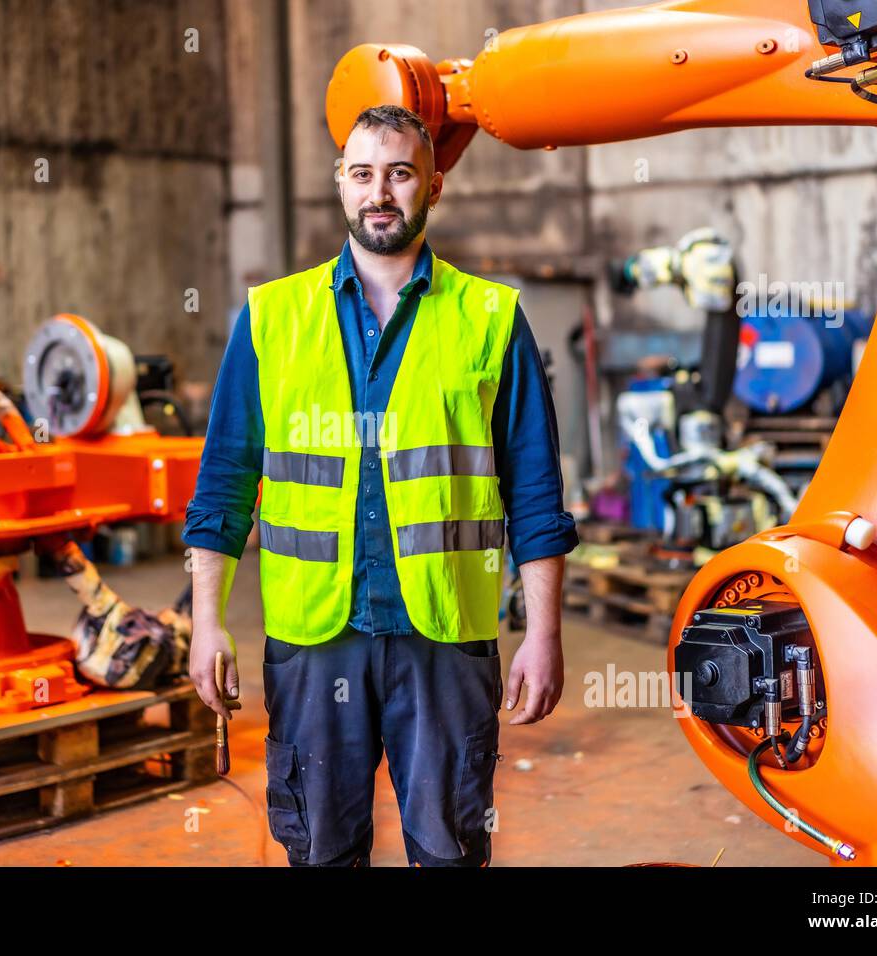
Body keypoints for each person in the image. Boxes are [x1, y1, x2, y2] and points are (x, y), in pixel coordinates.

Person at [183, 104, 579, 866]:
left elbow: (535, 495)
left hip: (445, 641)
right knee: (322, 852)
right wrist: (208, 622)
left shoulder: (491, 318)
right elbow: (224, 484)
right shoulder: (271, 318)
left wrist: (544, 634)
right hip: (314, 643)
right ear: (341, 183)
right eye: (363, 174)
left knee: (450, 850)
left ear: (434, 186)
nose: (380, 193)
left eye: (400, 173)